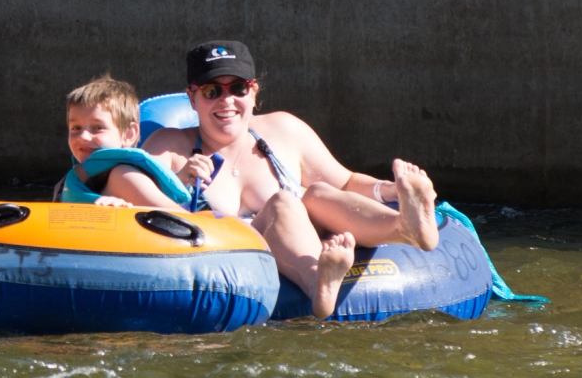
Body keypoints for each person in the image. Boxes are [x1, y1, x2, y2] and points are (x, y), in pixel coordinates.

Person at [141, 39, 440, 318]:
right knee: (282, 203)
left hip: (306, 232)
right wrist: (178, 180)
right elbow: (132, 189)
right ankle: (319, 279)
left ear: (253, 91)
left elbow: (346, 183)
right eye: (212, 92)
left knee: (317, 193)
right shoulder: (169, 145)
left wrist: (389, 190)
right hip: (231, 251)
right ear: (192, 97)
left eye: (238, 88)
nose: (226, 101)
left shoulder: (283, 130)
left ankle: (404, 226)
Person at [59, 74, 181, 205]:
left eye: (98, 128)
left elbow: (178, 217)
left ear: (129, 134)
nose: (83, 136)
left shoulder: (125, 176)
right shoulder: (81, 175)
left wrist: (121, 213)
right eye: (76, 128)